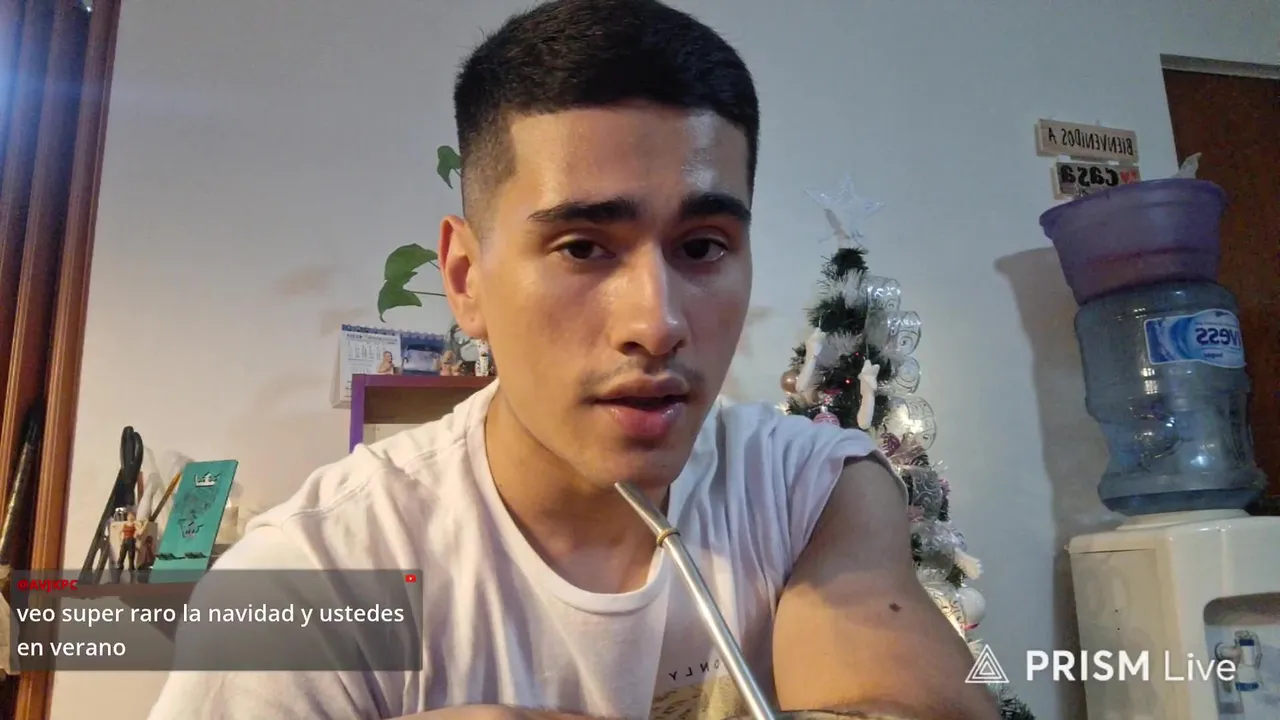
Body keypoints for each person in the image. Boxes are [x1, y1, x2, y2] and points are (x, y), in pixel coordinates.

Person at [149, 1, 998, 718]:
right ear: (466, 279)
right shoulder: (314, 575)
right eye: (583, 248)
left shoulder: (810, 488)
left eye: (703, 246)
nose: (657, 324)